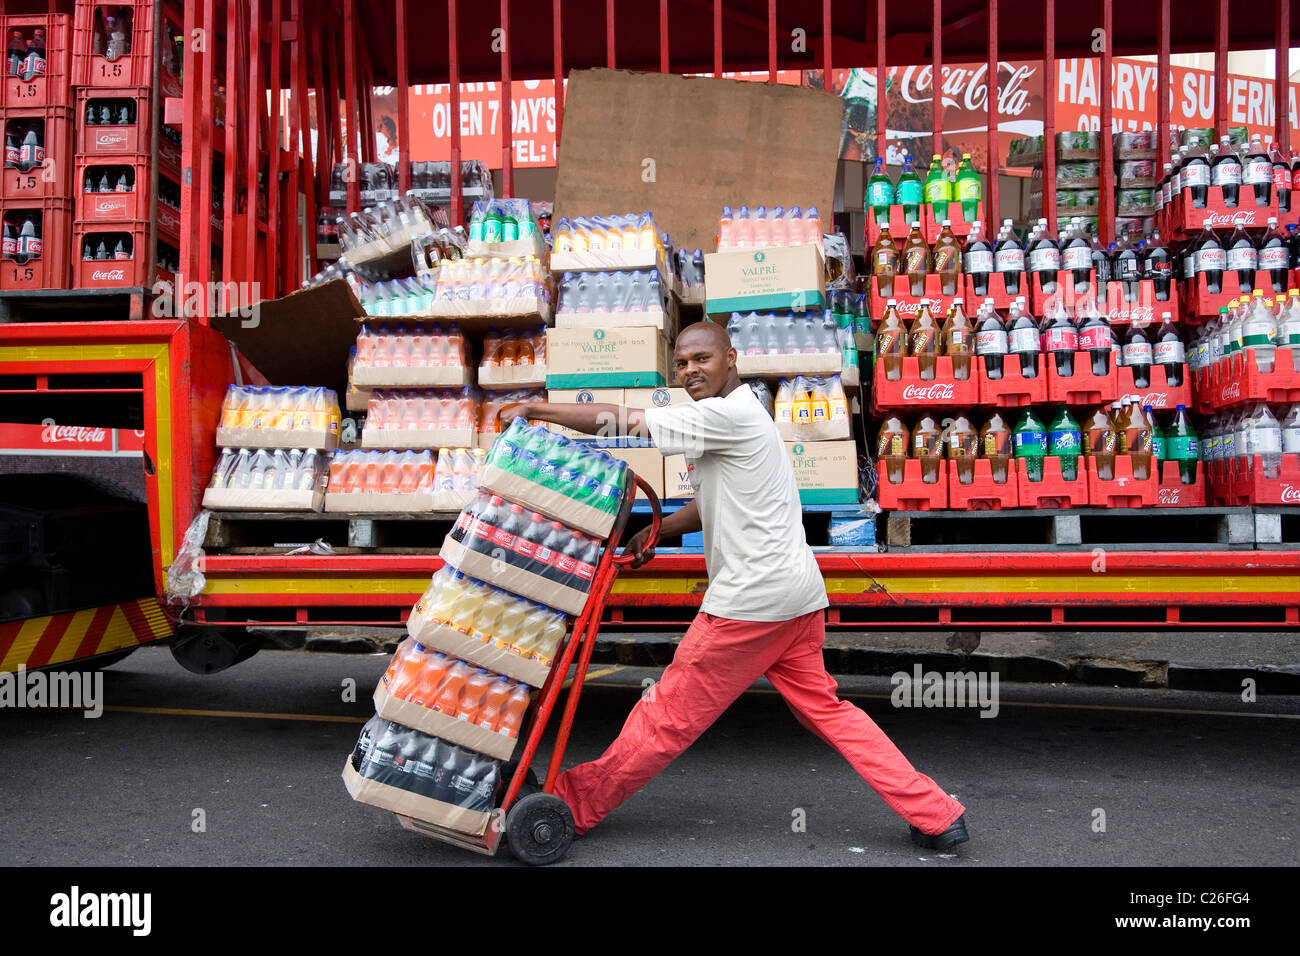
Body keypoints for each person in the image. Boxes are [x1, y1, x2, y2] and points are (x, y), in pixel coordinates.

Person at [518, 321, 969, 852]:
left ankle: (569, 805)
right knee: (830, 713)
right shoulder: (739, 416)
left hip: (751, 604)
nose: (691, 371)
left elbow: (631, 422)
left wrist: (538, 411)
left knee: (666, 717)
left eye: (702, 360)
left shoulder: (726, 414)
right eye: (682, 364)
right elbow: (716, 500)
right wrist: (657, 529)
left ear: (731, 357)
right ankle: (936, 813)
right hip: (795, 597)